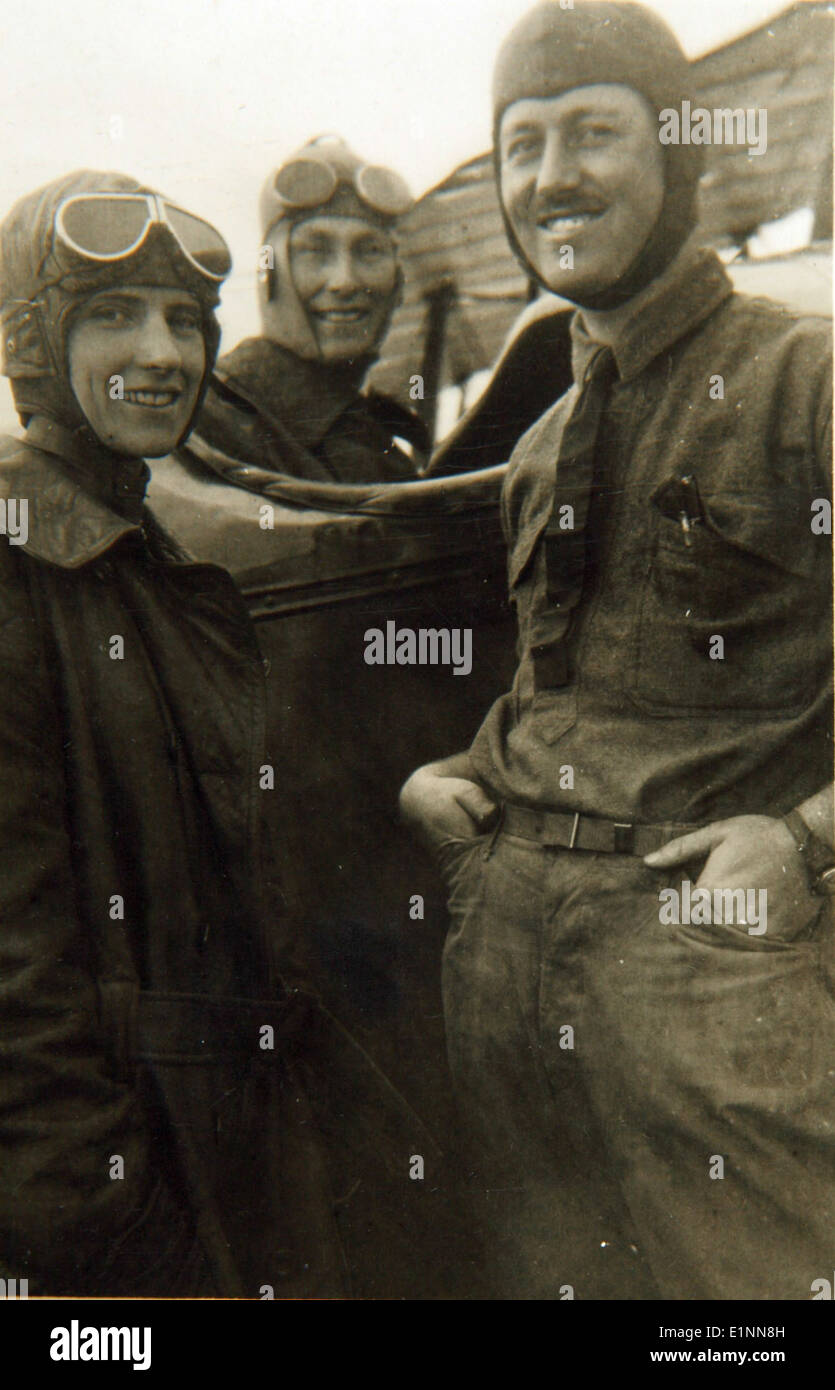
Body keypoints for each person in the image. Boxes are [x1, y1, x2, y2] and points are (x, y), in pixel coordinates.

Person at [400, 0, 835, 1301]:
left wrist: (807, 838)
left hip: (707, 962)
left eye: (591, 132)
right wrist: (459, 776)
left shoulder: (801, 379)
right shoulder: (533, 449)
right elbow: (572, 681)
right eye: (519, 145)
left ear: (676, 157)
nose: (549, 177)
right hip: (505, 954)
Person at [0, 169, 443, 1300]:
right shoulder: (22, 561)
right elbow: (18, 963)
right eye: (111, 315)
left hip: (214, 1135)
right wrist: (110, 1233)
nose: (164, 352)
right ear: (34, 339)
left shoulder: (134, 547)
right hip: (125, 1196)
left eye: (185, 321)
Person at [190, 136, 428, 485]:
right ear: (269, 271)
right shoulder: (210, 421)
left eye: (369, 251)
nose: (344, 281)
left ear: (398, 282)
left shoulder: (376, 436)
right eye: (315, 251)